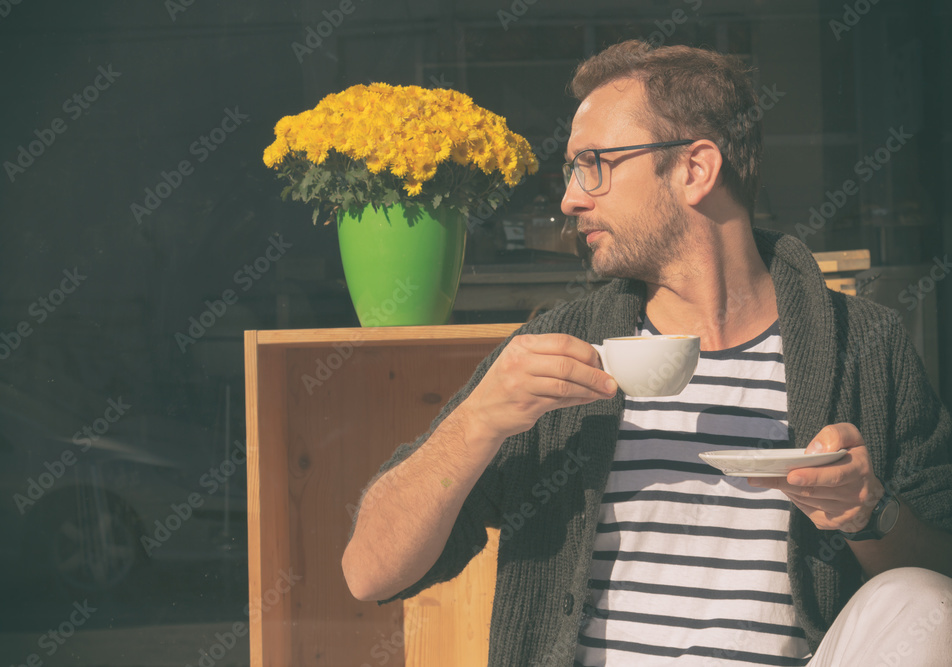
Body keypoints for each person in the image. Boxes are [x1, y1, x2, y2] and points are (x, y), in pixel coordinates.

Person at [342, 40, 952, 666]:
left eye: (595, 164)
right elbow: (369, 571)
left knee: (923, 596)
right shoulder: (560, 354)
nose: (570, 198)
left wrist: (867, 513)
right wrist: (477, 422)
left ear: (695, 169)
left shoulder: (862, 348)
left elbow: (937, 593)